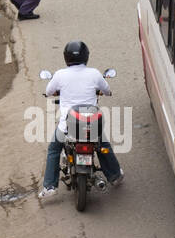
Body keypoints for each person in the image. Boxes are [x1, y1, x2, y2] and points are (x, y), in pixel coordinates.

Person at [38, 40, 124, 202]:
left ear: (66, 58)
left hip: (67, 126)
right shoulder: (95, 74)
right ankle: (114, 175)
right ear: (86, 56)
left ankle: (50, 186)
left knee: (54, 149)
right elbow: (106, 90)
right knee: (102, 145)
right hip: (91, 124)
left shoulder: (60, 75)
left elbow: (49, 91)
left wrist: (57, 92)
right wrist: (103, 91)